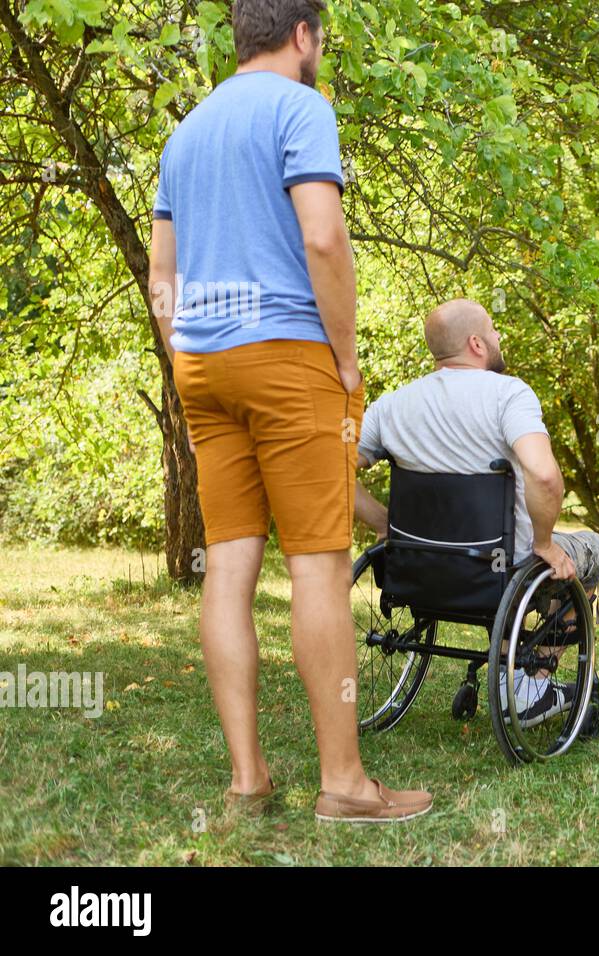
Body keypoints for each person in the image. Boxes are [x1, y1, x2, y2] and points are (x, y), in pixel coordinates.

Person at [149, 0, 431, 824]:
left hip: (204, 366)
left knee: (228, 570)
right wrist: (343, 358)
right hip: (289, 357)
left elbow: (162, 273)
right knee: (316, 563)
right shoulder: (301, 108)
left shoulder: (186, 134)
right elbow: (322, 238)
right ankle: (344, 784)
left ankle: (248, 781)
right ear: (303, 35)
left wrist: (184, 354)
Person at [353, 299, 599, 726]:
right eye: (493, 331)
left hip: (417, 566)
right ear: (476, 343)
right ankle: (532, 685)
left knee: (513, 556)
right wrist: (544, 543)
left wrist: (386, 525)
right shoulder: (509, 395)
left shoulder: (391, 406)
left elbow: (330, 472)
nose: (498, 337)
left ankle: (512, 659)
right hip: (501, 566)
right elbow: (545, 477)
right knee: (593, 549)